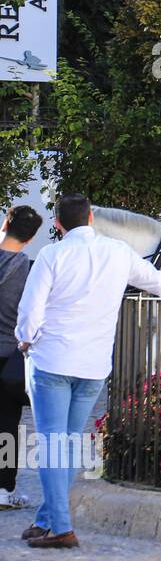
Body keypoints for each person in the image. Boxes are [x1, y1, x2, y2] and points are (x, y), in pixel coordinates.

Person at [16, 194, 161, 548]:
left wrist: (25, 340)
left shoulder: (52, 255)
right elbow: (159, 282)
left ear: (58, 224)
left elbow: (30, 309)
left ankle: (62, 527)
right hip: (94, 365)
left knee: (51, 444)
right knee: (68, 442)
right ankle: (47, 519)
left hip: (52, 361)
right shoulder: (119, 252)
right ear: (92, 218)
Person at [0, 206, 41, 510]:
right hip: (9, 356)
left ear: (5, 224)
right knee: (7, 426)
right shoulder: (29, 270)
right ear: (31, 238)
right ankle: (4, 491)